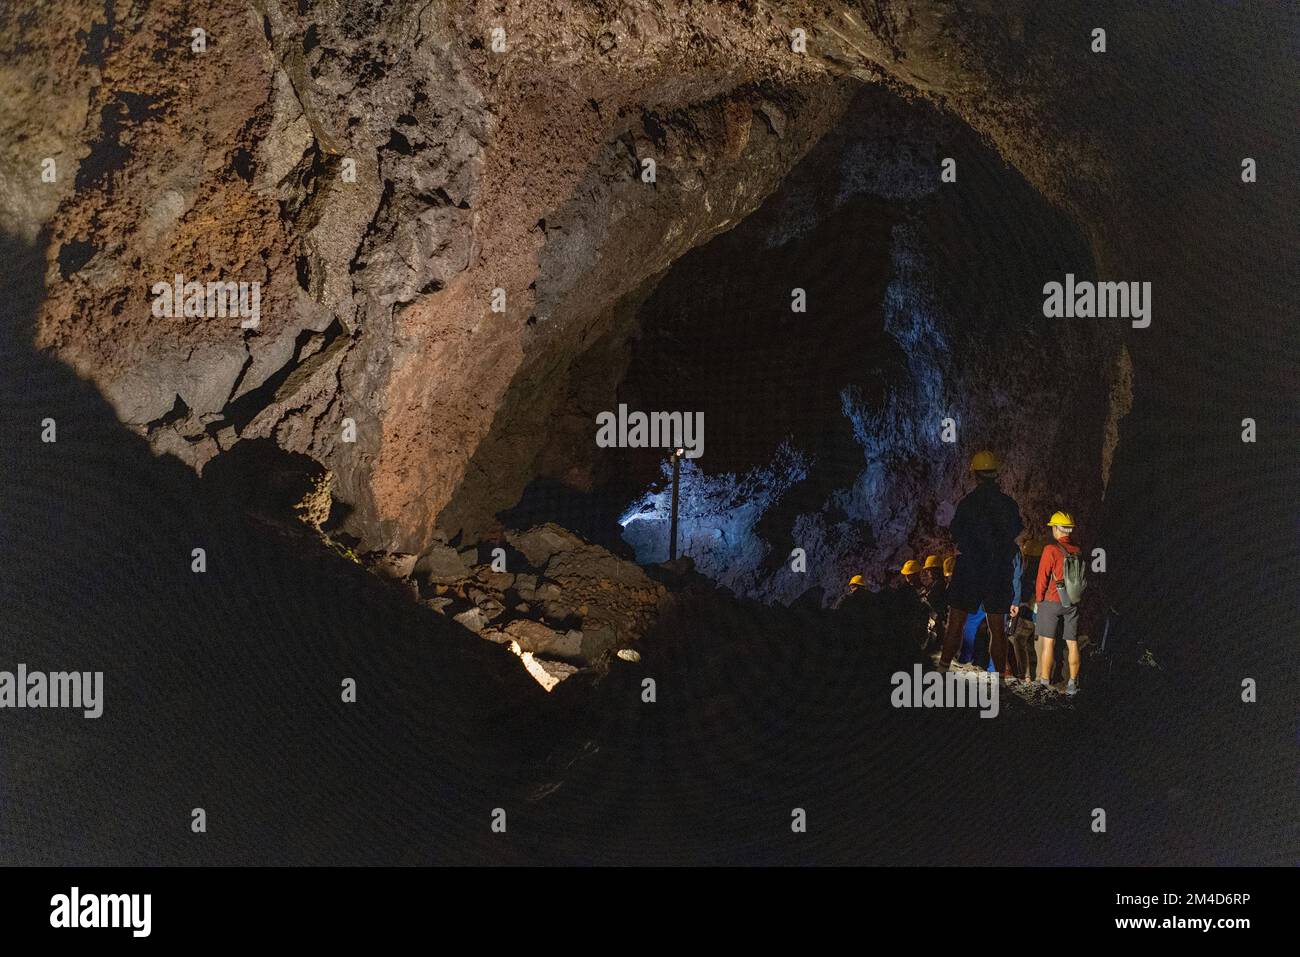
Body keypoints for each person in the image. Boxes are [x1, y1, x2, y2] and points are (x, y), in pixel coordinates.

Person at [939, 450, 1024, 675]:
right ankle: (1000, 679)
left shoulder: (968, 503)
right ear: (995, 474)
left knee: (956, 621)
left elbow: (956, 533)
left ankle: (943, 667)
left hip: (971, 568)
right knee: (997, 628)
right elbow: (1014, 533)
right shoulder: (1008, 505)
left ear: (975, 475)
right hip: (997, 569)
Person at [1036, 511, 1084, 694]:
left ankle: (1044, 681)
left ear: (1057, 529)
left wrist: (1039, 600)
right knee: (1072, 643)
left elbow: (1042, 578)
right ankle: (1072, 683)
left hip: (1052, 601)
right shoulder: (1077, 551)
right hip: (1072, 603)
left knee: (1048, 642)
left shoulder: (1051, 550)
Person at [920, 555, 948, 652]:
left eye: (929, 570)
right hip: (936, 622)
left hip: (936, 622)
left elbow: (929, 603)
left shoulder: (938, 585)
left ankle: (918, 667)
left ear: (936, 570)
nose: (927, 572)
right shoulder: (938, 584)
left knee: (922, 650)